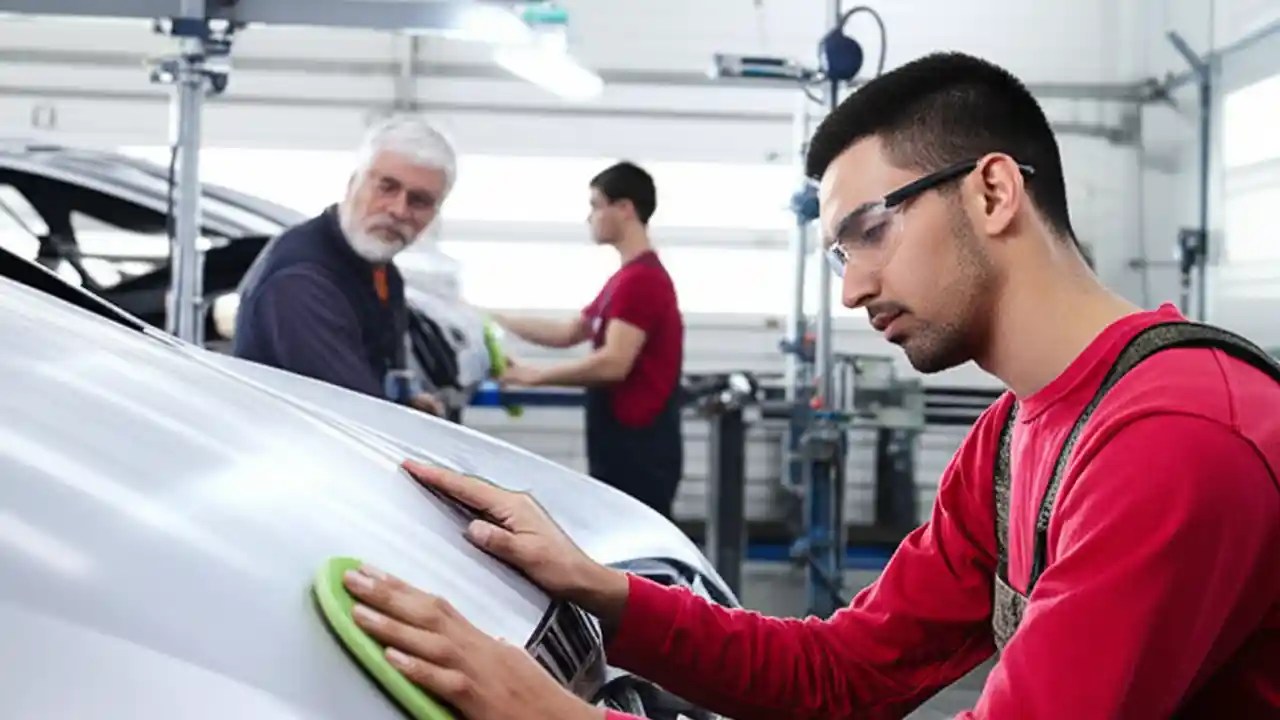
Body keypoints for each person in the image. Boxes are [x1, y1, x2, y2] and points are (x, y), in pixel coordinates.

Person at [339, 52, 1280, 719]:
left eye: (870, 231)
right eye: (838, 252)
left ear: (993, 193)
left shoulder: (1178, 437)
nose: (852, 287)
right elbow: (845, 675)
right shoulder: (1011, 439)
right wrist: (600, 591)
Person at [493, 162, 685, 518]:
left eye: (596, 205)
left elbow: (614, 363)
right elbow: (569, 332)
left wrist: (536, 375)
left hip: (639, 448)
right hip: (619, 441)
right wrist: (495, 318)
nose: (590, 217)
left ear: (625, 208)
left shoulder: (642, 280)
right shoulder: (624, 279)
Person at [234, 115, 451, 417]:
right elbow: (358, 416)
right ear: (353, 184)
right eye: (386, 187)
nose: (399, 210)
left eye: (419, 200)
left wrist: (405, 407)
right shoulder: (301, 284)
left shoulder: (381, 270)